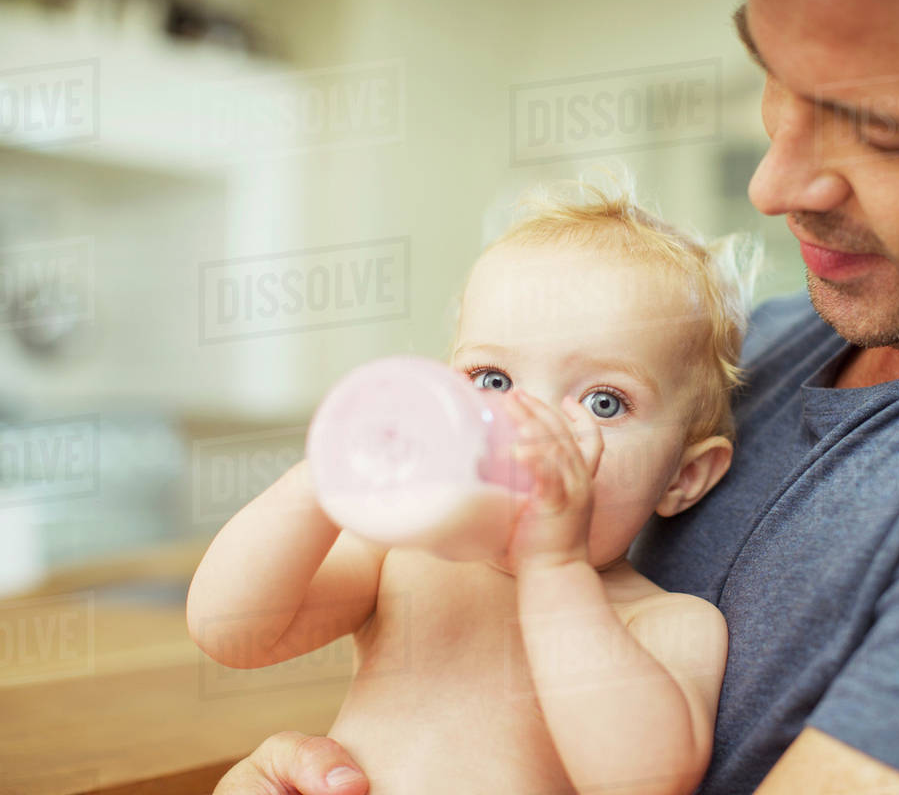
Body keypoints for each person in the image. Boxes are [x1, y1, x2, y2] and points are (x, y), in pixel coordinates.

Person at [215, 0, 899, 792]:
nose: (773, 183)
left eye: (885, 130)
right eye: (775, 78)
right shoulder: (774, 343)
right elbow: (237, 627)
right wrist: (336, 458)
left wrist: (558, 568)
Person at [189, 179, 760, 795]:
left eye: (603, 401)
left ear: (682, 477)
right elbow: (234, 632)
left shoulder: (664, 624)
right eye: (492, 380)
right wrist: (326, 475)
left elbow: (642, 780)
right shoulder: (402, 559)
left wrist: (555, 566)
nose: (524, 423)